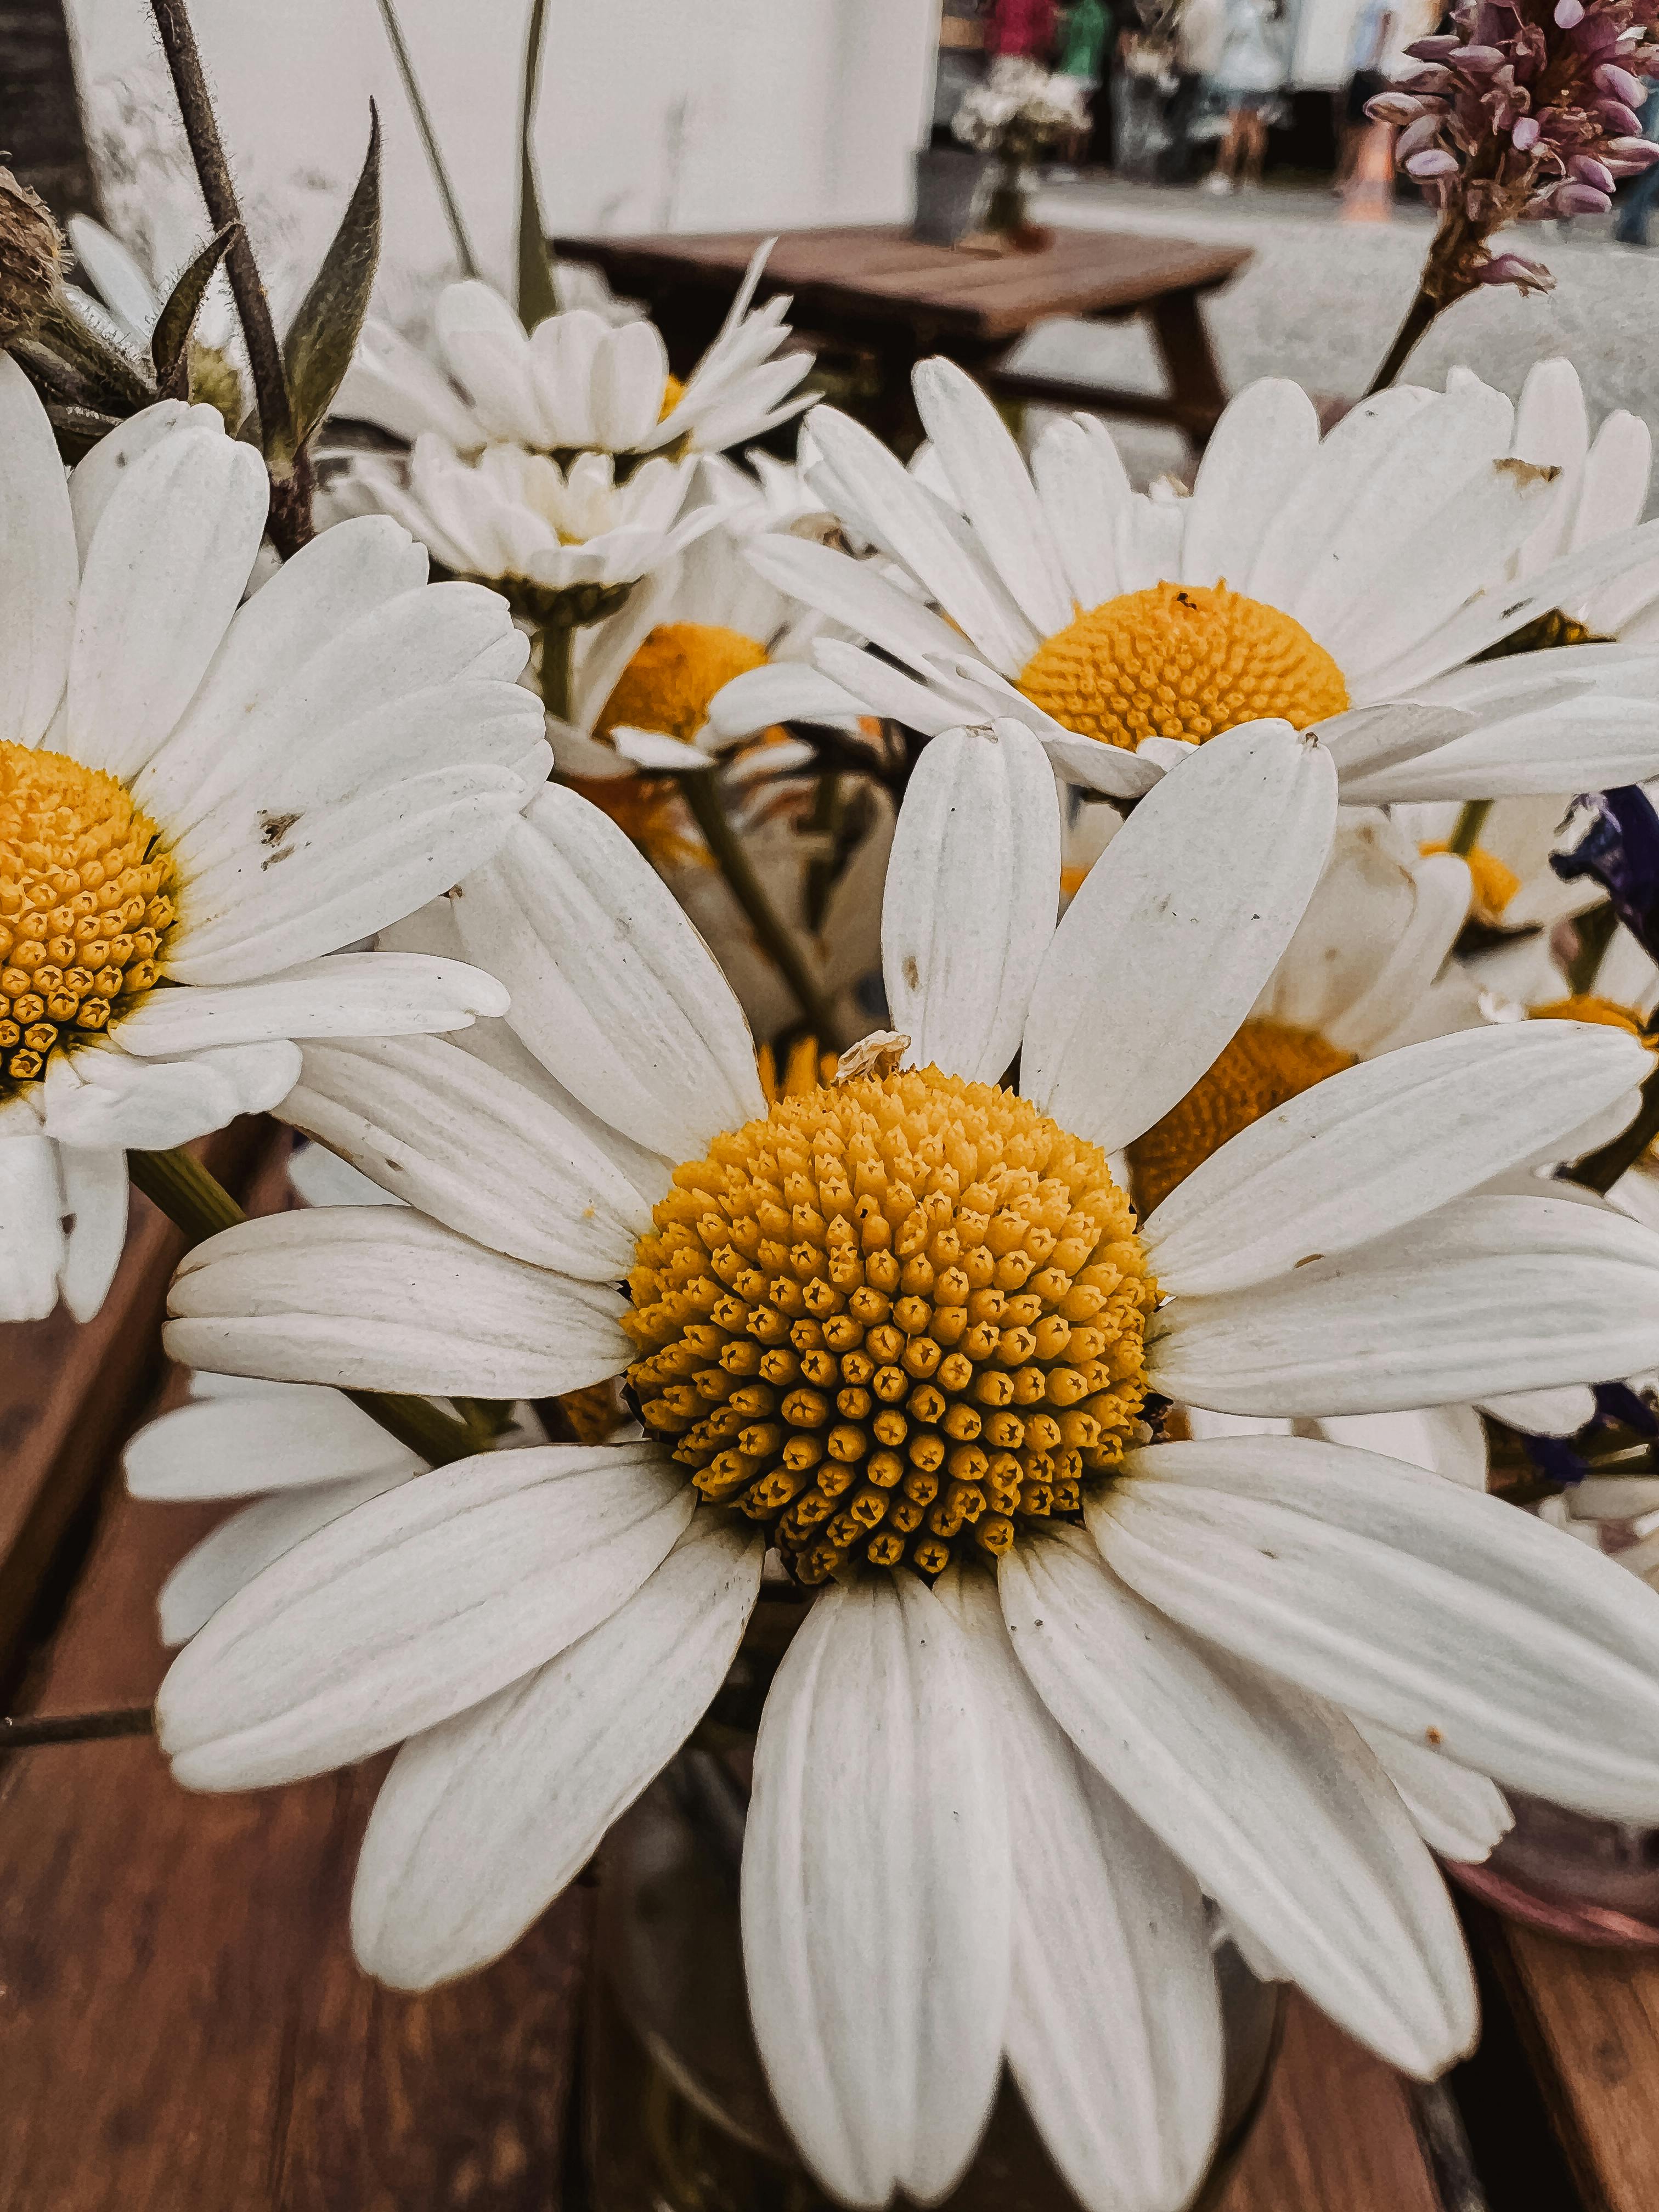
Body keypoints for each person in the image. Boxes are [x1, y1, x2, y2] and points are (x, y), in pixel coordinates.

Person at [1204, 0, 1288, 191]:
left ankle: (1224, 174)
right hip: (1267, 77)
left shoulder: (1245, 9)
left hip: (1240, 74)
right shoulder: (1276, 11)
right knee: (1256, 128)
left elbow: (1229, 35)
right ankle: (1251, 177)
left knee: (1234, 124)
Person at [1165, 0, 1227, 183]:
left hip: (1192, 67)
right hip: (1213, 66)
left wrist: (1177, 60)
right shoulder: (1220, 6)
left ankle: (1177, 168)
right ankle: (1192, 165)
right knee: (1200, 121)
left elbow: (1188, 37)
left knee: (1182, 121)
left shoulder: (1195, 7)